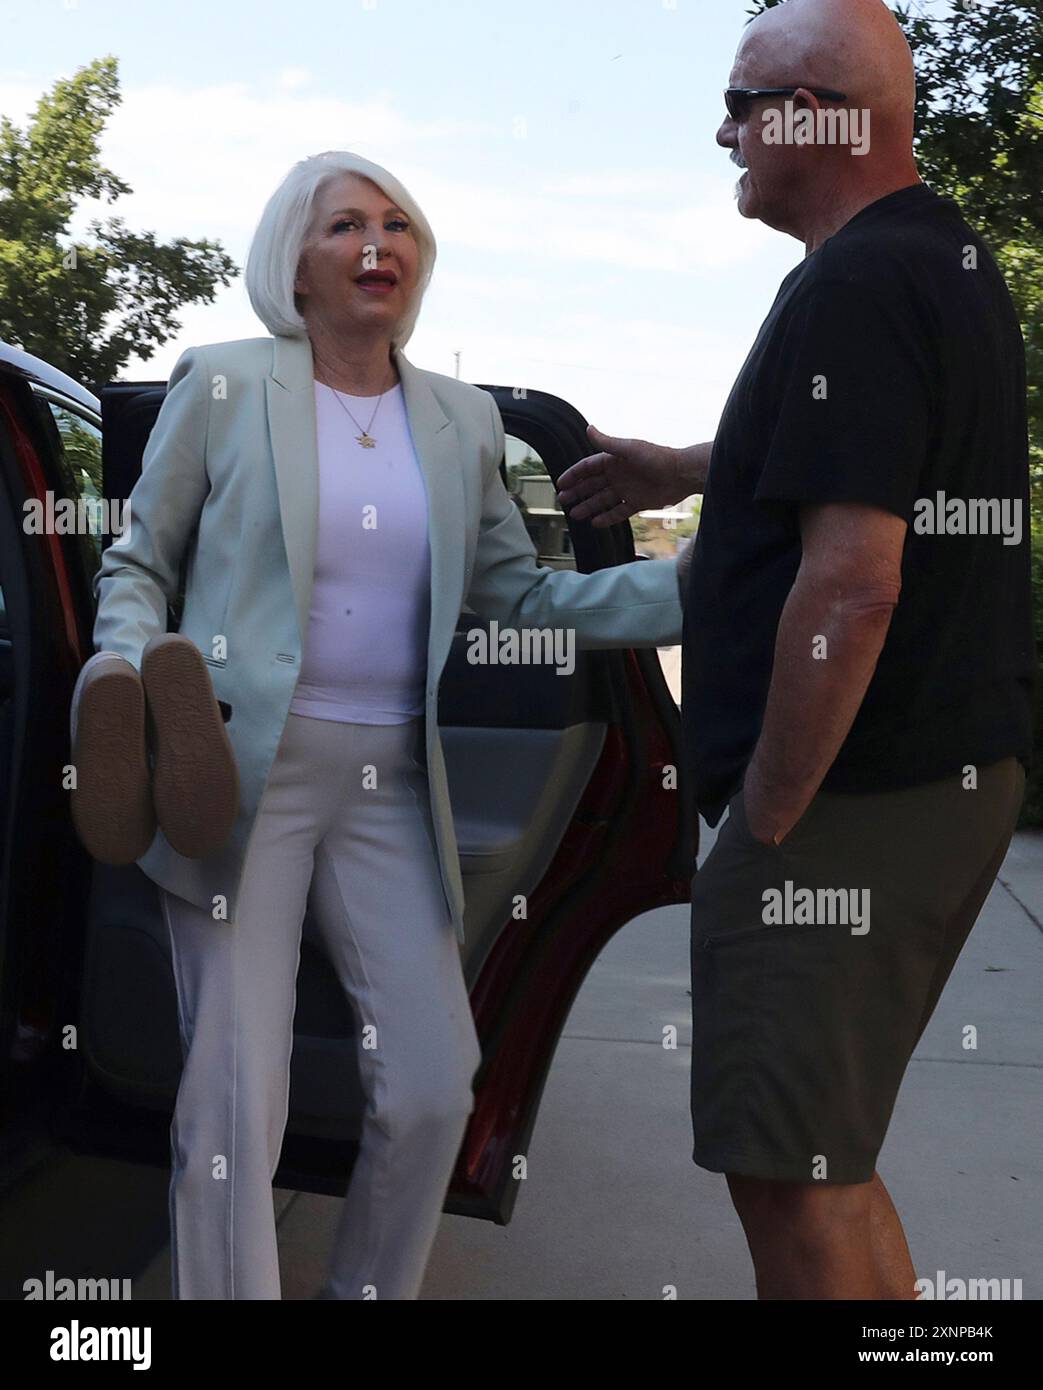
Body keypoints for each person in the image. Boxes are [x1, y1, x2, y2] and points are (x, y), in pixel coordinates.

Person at [69, 150, 687, 1299]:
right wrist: (121, 657)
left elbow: (526, 597)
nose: (377, 244)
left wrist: (695, 583)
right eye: (344, 224)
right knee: (235, 1091)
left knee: (431, 1083)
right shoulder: (221, 383)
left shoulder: (461, 420)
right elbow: (139, 560)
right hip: (232, 767)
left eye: (397, 225)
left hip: (391, 777)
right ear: (293, 264)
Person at [557, 0, 1034, 1299]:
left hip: (846, 798)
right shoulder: (926, 260)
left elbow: (851, 582)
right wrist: (683, 462)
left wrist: (765, 811)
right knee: (823, 1155)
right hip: (920, 784)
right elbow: (862, 456)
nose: (723, 132)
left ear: (822, 115)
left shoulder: (856, 283)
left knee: (790, 1178)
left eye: (741, 102)